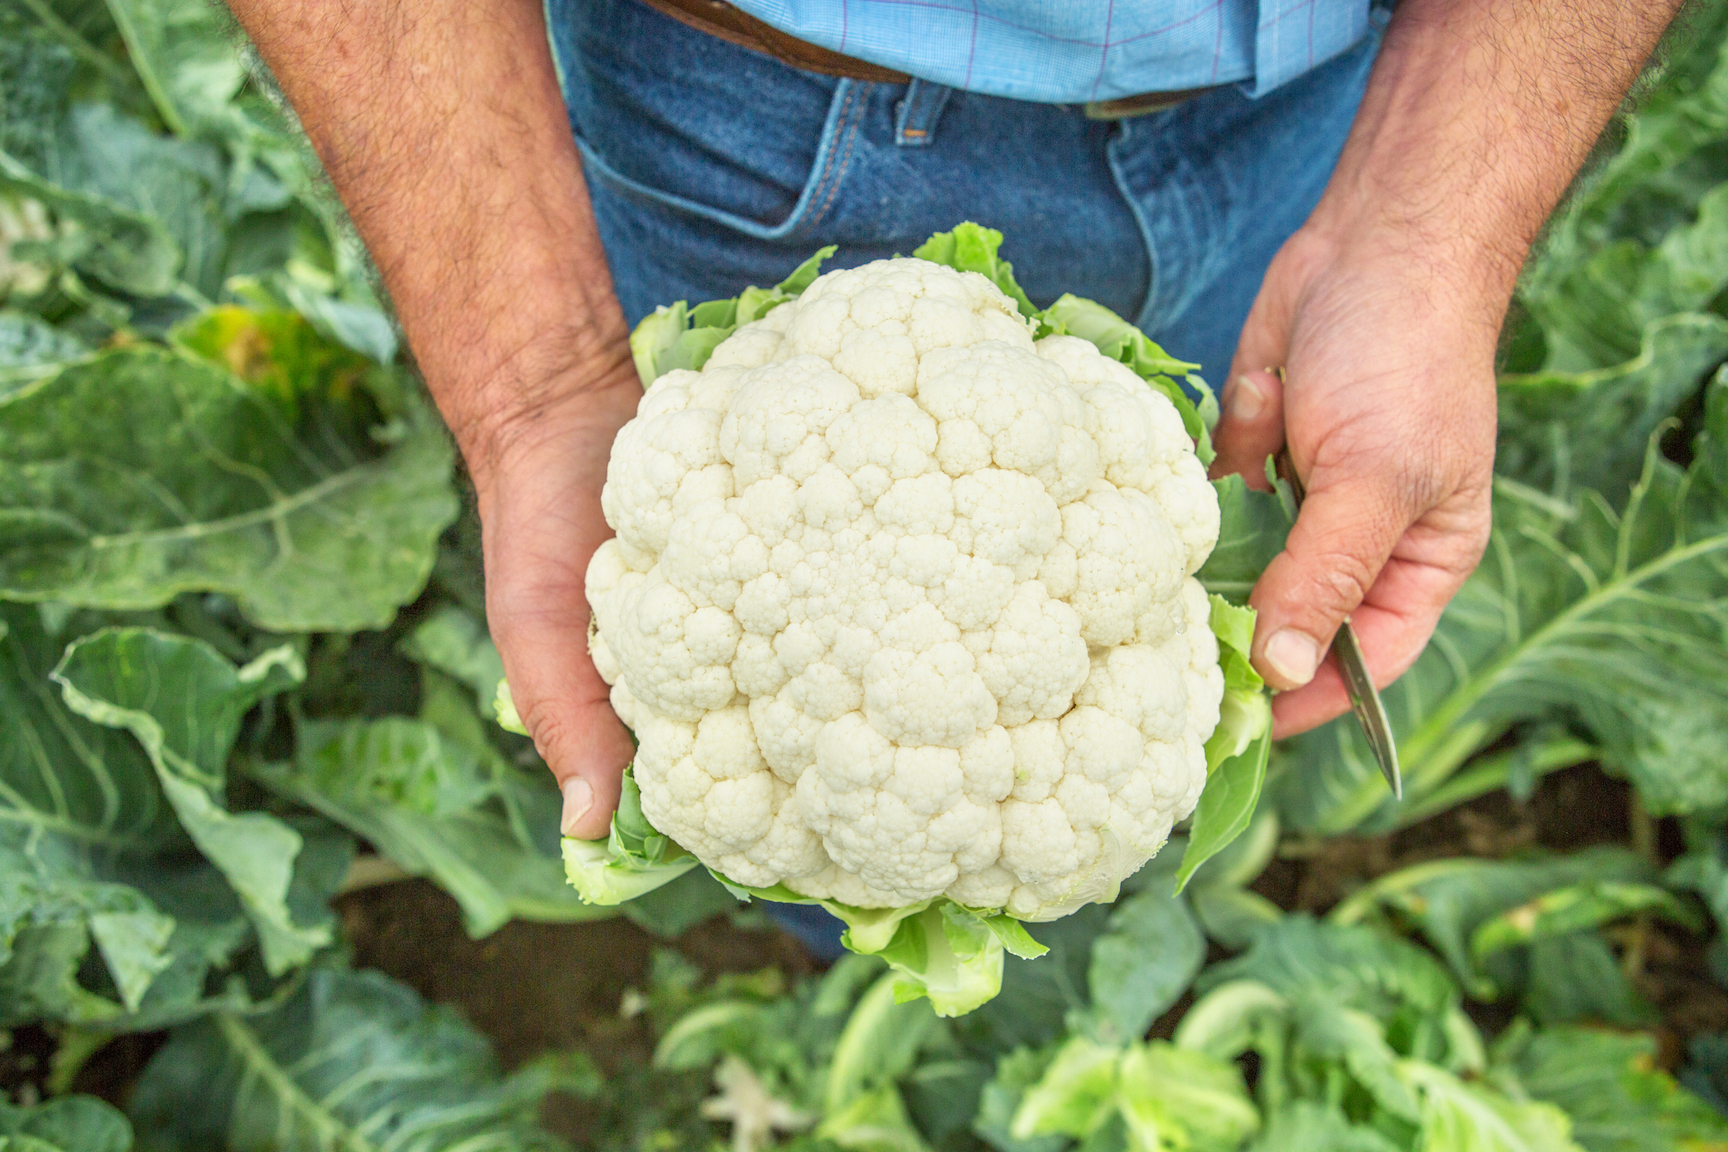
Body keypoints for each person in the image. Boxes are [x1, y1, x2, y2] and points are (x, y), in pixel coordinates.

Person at [228, 0, 1681, 842]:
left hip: (1338, 92)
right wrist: (534, 385)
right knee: (750, 772)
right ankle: (810, 948)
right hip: (751, 110)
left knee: (1179, 614)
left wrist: (1434, 226)